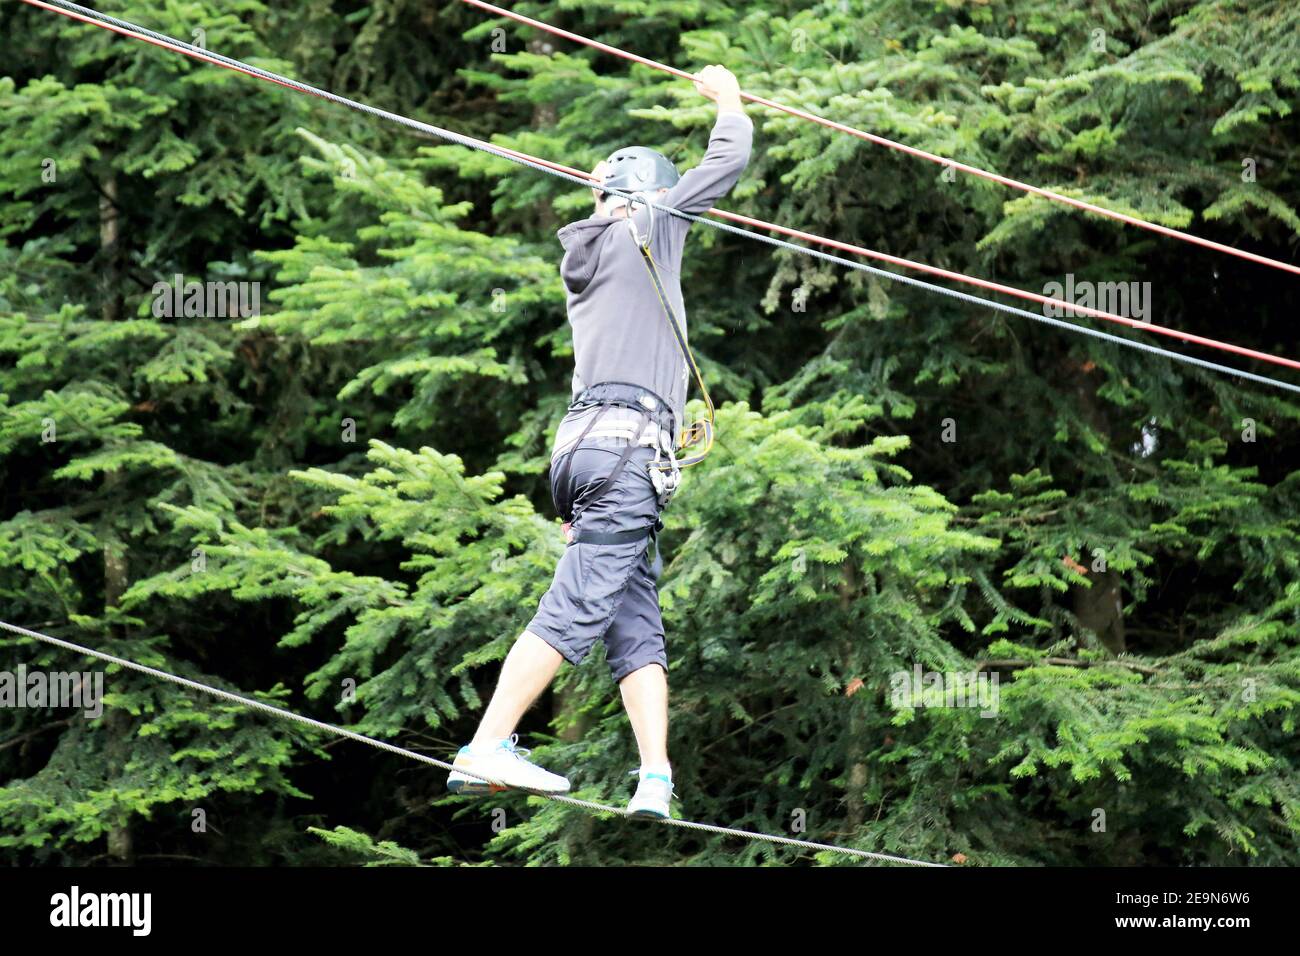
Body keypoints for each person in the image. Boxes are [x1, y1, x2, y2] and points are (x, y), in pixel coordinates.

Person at [447, 64, 753, 818]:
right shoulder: (651, 225)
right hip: (623, 458)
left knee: (633, 617)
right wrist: (730, 99)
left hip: (589, 455)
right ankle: (488, 742)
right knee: (578, 604)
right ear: (651, 194)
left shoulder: (589, 256)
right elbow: (729, 160)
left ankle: (656, 777)